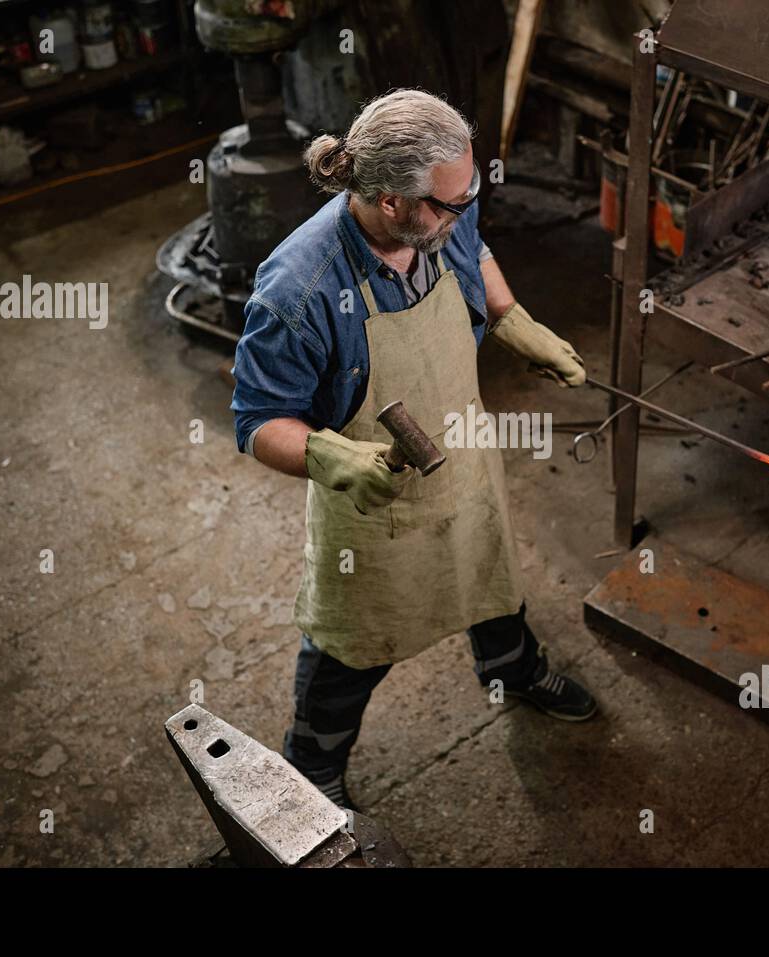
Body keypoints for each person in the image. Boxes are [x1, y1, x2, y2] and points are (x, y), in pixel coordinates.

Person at [231, 89, 597, 810]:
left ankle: (510, 669)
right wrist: (331, 458)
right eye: (450, 204)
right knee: (353, 642)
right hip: (375, 503)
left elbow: (474, 247)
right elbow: (258, 418)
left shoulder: (444, 213)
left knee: (489, 571)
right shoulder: (300, 289)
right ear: (393, 202)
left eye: (470, 195)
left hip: (462, 457)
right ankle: (312, 762)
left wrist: (510, 316)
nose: (465, 212)